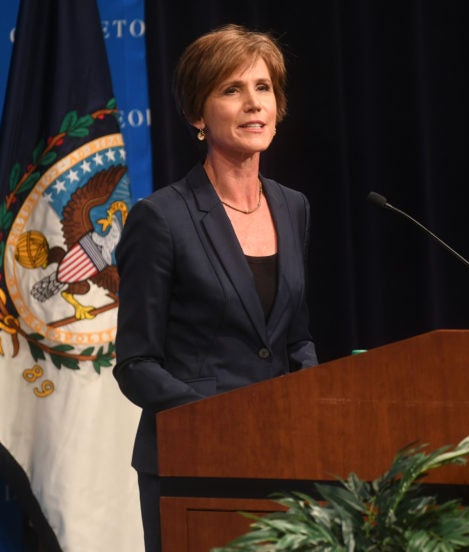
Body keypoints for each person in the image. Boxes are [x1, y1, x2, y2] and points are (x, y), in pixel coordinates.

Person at [113, 24, 318, 552]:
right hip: (193, 468)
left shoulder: (292, 206)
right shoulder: (160, 218)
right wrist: (225, 425)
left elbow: (295, 340)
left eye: (263, 88)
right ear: (197, 115)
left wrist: (314, 407)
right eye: (231, 90)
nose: (253, 104)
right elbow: (136, 364)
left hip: (284, 462)